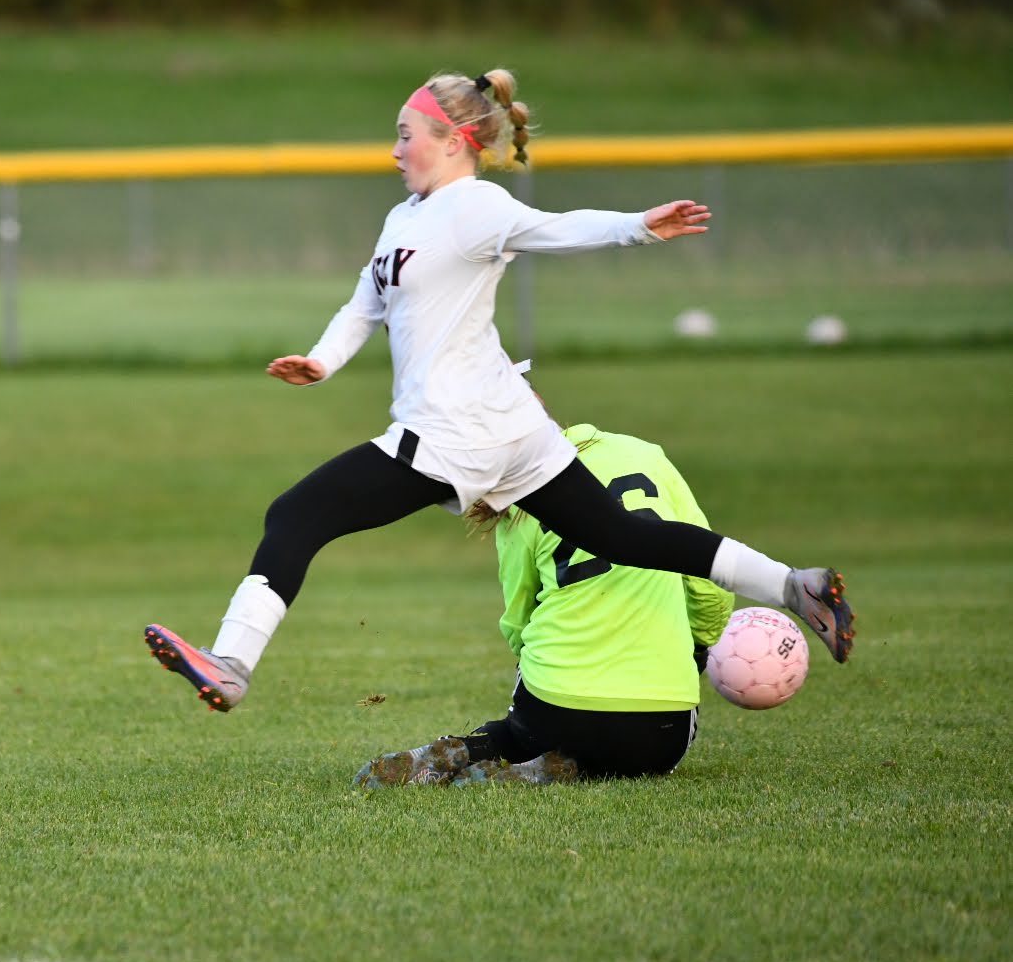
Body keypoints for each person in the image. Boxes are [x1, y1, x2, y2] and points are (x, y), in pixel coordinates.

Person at [144, 69, 854, 714]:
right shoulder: (404, 219)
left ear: (453, 141)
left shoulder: (475, 205)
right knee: (622, 535)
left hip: (456, 429)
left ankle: (232, 664)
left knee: (296, 514)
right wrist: (323, 362)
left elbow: (557, 229)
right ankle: (797, 586)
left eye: (405, 135)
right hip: (512, 427)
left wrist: (637, 229)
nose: (393, 150)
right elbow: (366, 302)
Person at [353, 422, 734, 786]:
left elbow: (519, 622)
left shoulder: (518, 497)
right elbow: (710, 584)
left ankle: (477, 748)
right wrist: (697, 649)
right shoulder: (645, 455)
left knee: (520, 733)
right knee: (646, 749)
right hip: (659, 730)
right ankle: (565, 767)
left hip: (557, 709)